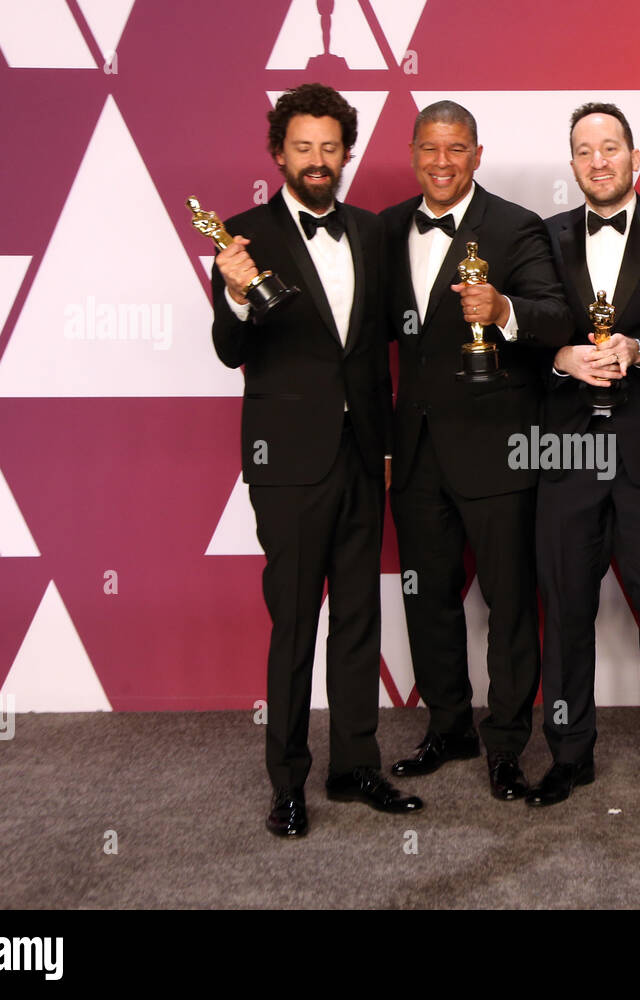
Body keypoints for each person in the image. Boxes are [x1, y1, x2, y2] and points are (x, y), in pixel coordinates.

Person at [211, 83, 422, 837]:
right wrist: (236, 298)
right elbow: (231, 348)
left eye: (330, 146)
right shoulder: (239, 238)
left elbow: (378, 354)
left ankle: (355, 765)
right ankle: (288, 783)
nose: (317, 160)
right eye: (303, 147)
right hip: (289, 464)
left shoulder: (370, 232)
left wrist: (391, 448)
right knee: (296, 624)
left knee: (359, 618)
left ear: (346, 152)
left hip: (364, 456)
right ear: (278, 153)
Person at [380, 101, 571, 801]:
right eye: (430, 148)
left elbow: (555, 319)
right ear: (412, 151)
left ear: (477, 155)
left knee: (510, 602)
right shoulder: (388, 228)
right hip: (417, 451)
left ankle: (507, 742)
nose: (441, 161)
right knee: (428, 597)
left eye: (455, 148)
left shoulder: (515, 226)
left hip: (500, 449)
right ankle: (448, 725)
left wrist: (504, 312)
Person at [528, 103, 640, 807]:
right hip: (566, 452)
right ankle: (569, 751)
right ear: (572, 165)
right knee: (564, 604)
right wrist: (563, 357)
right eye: (585, 150)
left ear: (635, 154)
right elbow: (523, 338)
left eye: (611, 147)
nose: (599, 161)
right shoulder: (543, 237)